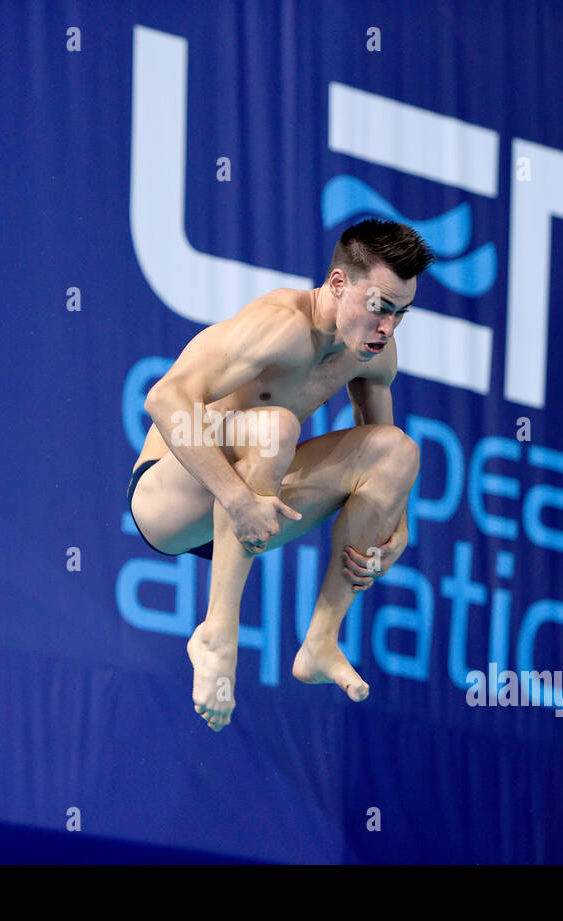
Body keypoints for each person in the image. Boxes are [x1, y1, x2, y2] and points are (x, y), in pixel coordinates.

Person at [128, 218, 432, 731]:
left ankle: (320, 642)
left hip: (253, 512)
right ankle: (218, 636)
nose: (387, 328)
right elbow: (164, 399)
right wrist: (233, 495)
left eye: (401, 314)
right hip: (172, 496)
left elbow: (384, 468)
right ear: (338, 284)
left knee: (397, 451)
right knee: (274, 427)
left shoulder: (375, 357)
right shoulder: (279, 326)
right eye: (380, 307)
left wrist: (395, 537)